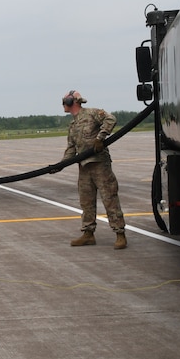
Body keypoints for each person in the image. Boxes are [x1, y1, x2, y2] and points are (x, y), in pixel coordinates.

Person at [61, 90, 126, 249]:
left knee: (109, 199)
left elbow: (111, 119)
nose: (63, 103)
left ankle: (120, 234)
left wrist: (100, 138)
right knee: (86, 202)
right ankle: (88, 234)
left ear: (73, 101)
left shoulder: (91, 113)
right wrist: (60, 165)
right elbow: (71, 148)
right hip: (84, 167)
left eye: (65, 99)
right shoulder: (73, 124)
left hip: (99, 164)